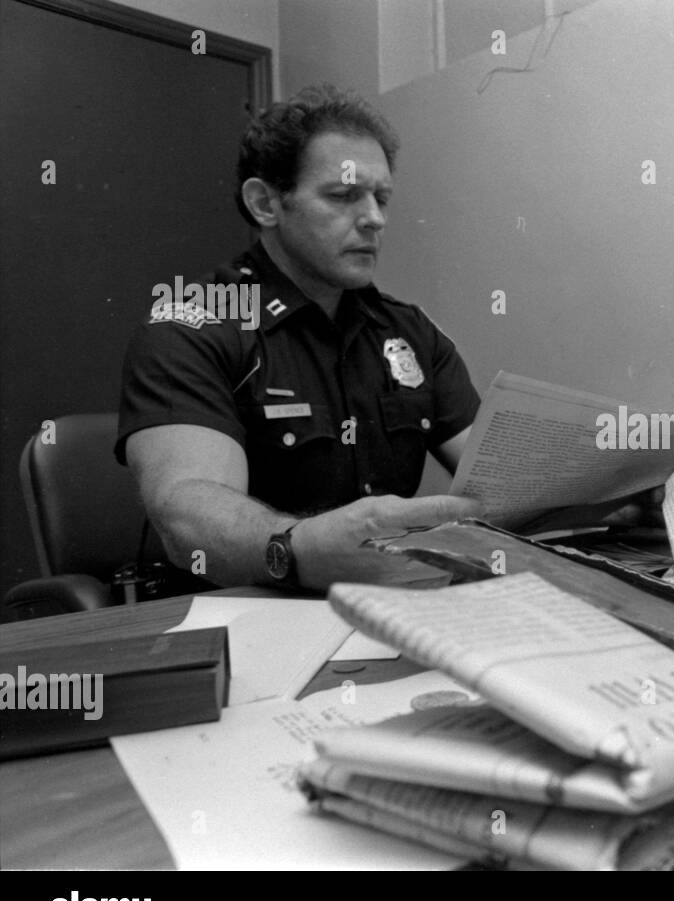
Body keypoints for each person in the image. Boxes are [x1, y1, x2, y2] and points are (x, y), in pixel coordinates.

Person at [116, 85, 486, 591]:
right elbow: (188, 517)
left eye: (381, 197)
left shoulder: (409, 332)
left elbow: (496, 475)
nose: (374, 218)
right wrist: (302, 548)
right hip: (249, 611)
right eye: (343, 195)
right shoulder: (192, 326)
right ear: (266, 203)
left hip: (393, 598)